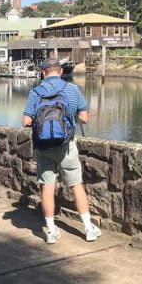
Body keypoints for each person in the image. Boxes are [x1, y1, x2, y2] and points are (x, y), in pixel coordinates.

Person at [22, 58, 102, 244]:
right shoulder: (72, 89)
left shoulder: (35, 92)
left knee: (47, 187)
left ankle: (50, 231)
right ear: (60, 72)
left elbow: (26, 121)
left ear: (43, 73)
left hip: (43, 147)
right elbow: (84, 118)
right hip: (66, 146)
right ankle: (88, 228)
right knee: (76, 184)